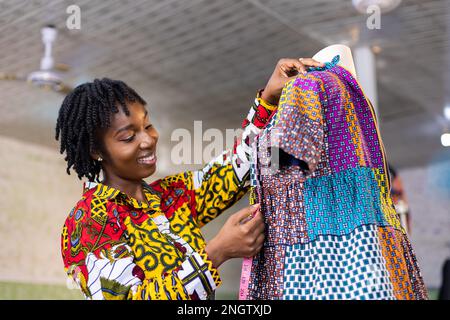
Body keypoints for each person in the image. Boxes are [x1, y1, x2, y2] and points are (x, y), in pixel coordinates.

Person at [56, 58, 324, 300]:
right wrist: (217, 252)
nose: (148, 140)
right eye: (128, 137)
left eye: (147, 125)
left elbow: (237, 167)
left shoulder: (172, 194)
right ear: (95, 150)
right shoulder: (89, 221)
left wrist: (268, 98)